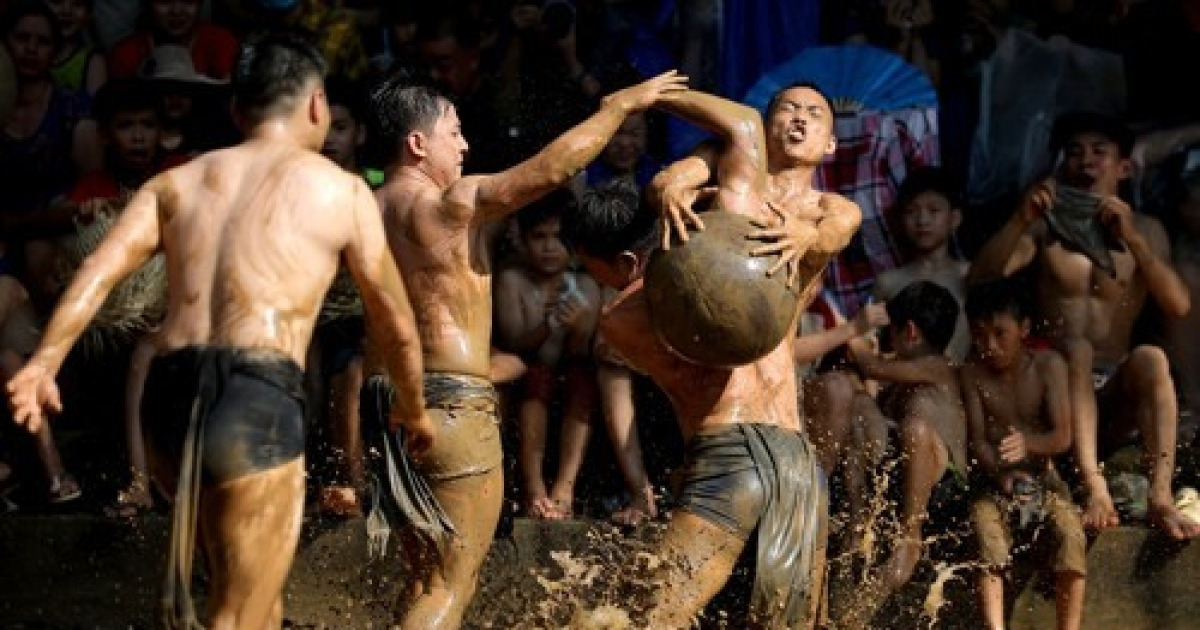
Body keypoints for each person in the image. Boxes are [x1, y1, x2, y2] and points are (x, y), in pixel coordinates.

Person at [6, 32, 432, 628]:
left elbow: (98, 272)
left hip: (168, 399)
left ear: (237, 111)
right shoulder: (342, 191)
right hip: (255, 397)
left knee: (242, 594)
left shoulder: (176, 183)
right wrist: (414, 410)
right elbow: (396, 324)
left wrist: (43, 363)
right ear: (316, 105)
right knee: (238, 613)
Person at [366, 67, 686, 629]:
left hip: (384, 403)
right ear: (417, 144)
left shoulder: (361, 209)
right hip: (448, 402)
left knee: (421, 576)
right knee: (447, 582)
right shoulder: (452, 203)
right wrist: (615, 109)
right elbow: (553, 170)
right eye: (454, 133)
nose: (465, 145)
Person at [564, 81, 861, 627]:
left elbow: (839, 223)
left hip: (734, 456)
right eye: (788, 109)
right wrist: (672, 180)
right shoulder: (740, 205)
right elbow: (733, 134)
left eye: (813, 113)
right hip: (794, 464)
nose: (799, 119)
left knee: (644, 619)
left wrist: (636, 100)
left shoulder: (620, 318)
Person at [967, 111, 1200, 540]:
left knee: (1151, 358)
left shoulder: (1146, 229)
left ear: (1124, 168)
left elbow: (1179, 305)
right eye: (1074, 152)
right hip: (1052, 395)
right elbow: (980, 280)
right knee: (1077, 348)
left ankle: (1161, 497)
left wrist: (1132, 239)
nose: (1085, 161)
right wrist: (1020, 219)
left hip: (1112, 395)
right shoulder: (1044, 229)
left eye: (1098, 152)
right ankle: (1095, 487)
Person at [833, 280, 970, 626]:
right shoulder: (905, 376)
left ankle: (910, 540)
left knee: (915, 427)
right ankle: (857, 519)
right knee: (860, 406)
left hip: (943, 490)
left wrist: (850, 333)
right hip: (902, 479)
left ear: (909, 331)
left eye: (889, 334)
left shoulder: (937, 366)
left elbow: (872, 367)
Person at [961, 278, 1085, 630]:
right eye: (980, 335)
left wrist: (1028, 444)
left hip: (1044, 477)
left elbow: (1062, 436)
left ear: (1025, 328)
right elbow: (979, 441)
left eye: (1000, 334)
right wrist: (1000, 473)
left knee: (1070, 534)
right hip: (993, 480)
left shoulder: (1048, 366)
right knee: (987, 534)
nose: (990, 346)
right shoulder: (972, 374)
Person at [494, 192, 601, 520]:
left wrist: (577, 328)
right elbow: (514, 343)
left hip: (567, 376)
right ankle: (534, 489)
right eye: (539, 237)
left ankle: (564, 488)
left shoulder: (585, 285)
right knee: (537, 378)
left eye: (558, 238)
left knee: (582, 382)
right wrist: (548, 324)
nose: (549, 247)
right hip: (524, 377)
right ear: (523, 241)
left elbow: (581, 353)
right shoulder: (511, 281)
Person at [873, 167, 972, 363]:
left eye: (933, 210)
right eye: (911, 211)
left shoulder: (968, 275)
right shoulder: (888, 282)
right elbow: (873, 343)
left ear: (955, 218)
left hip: (959, 376)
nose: (922, 220)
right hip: (904, 376)